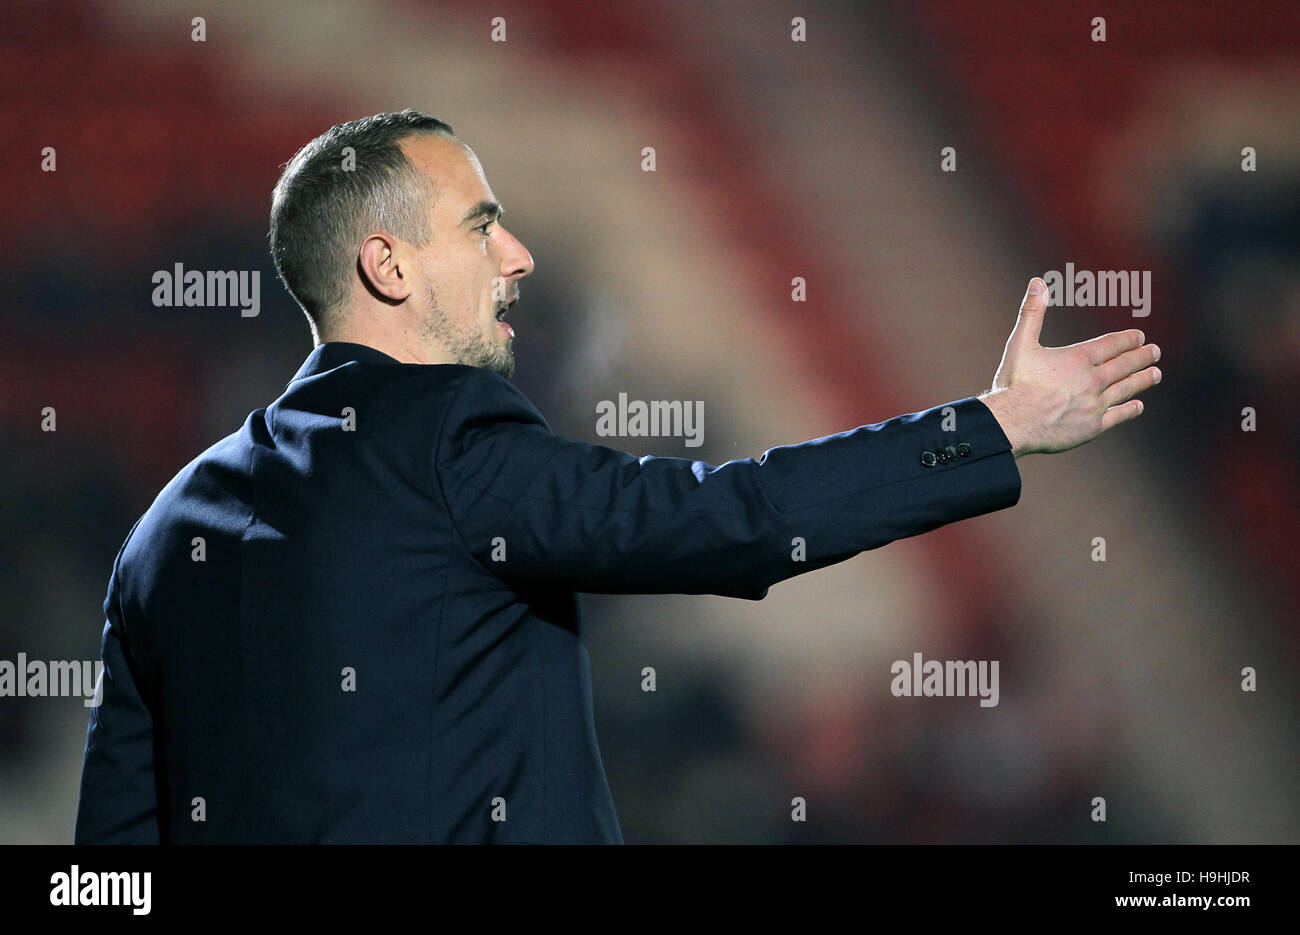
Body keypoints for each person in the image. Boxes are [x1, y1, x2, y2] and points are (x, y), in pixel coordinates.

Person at [73, 110, 1161, 844]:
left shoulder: (167, 529)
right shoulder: (450, 442)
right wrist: (993, 426)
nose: (520, 257)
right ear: (388, 265)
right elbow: (735, 517)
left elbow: (108, 861)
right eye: (482, 224)